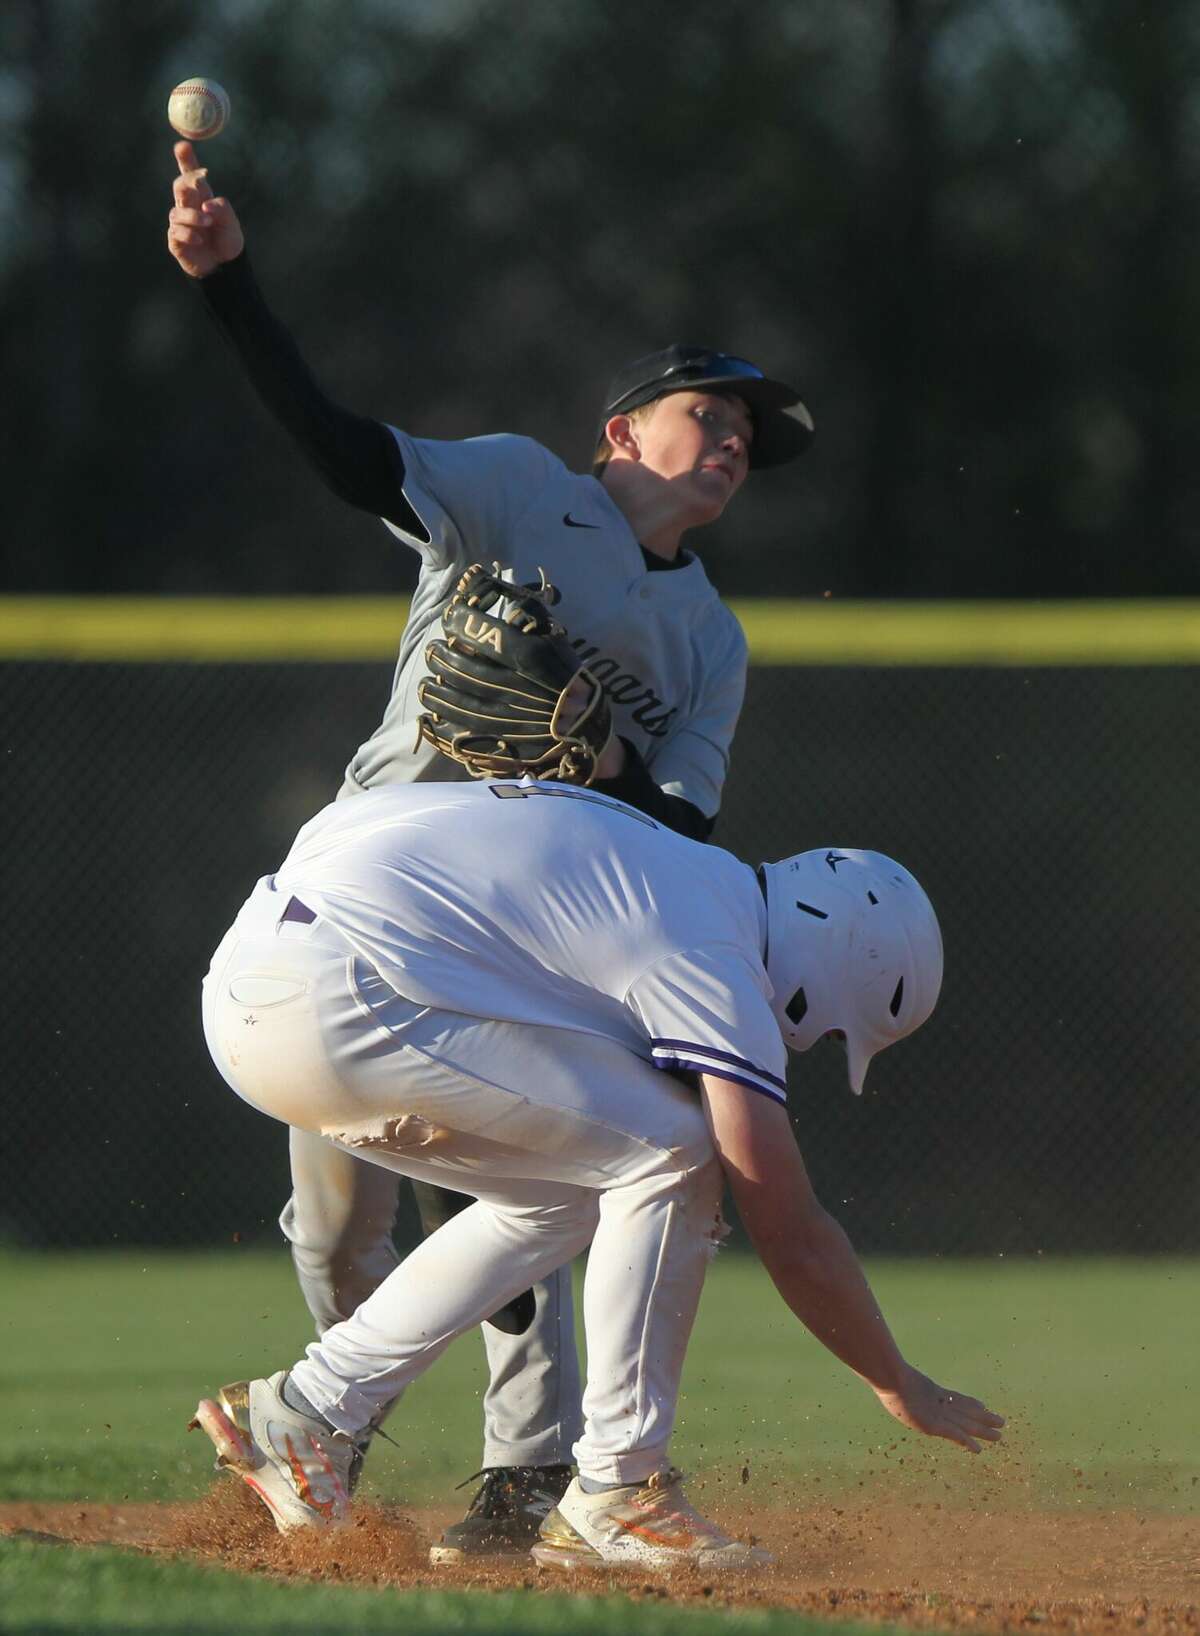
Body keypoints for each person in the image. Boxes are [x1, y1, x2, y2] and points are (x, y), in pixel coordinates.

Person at [166, 139, 817, 1562]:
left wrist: (592, 758)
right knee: (338, 1230)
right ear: (618, 434)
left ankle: (529, 1471)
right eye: (707, 413)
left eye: (749, 437)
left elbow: (684, 830)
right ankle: (325, 1435)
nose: (733, 442)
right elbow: (347, 454)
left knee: (546, 1179)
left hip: (540, 927)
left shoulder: (710, 637)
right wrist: (231, 291)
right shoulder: (523, 494)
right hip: (373, 887)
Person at [194, 777, 1004, 1571]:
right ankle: (623, 1489)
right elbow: (789, 1231)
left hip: (253, 989)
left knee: (556, 1199)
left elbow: (353, 825)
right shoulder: (713, 955)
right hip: (342, 997)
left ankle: (308, 1412)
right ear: (839, 964)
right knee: (679, 1152)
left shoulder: (678, 872)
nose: (820, 1044)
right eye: (836, 1033)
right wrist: (896, 1380)